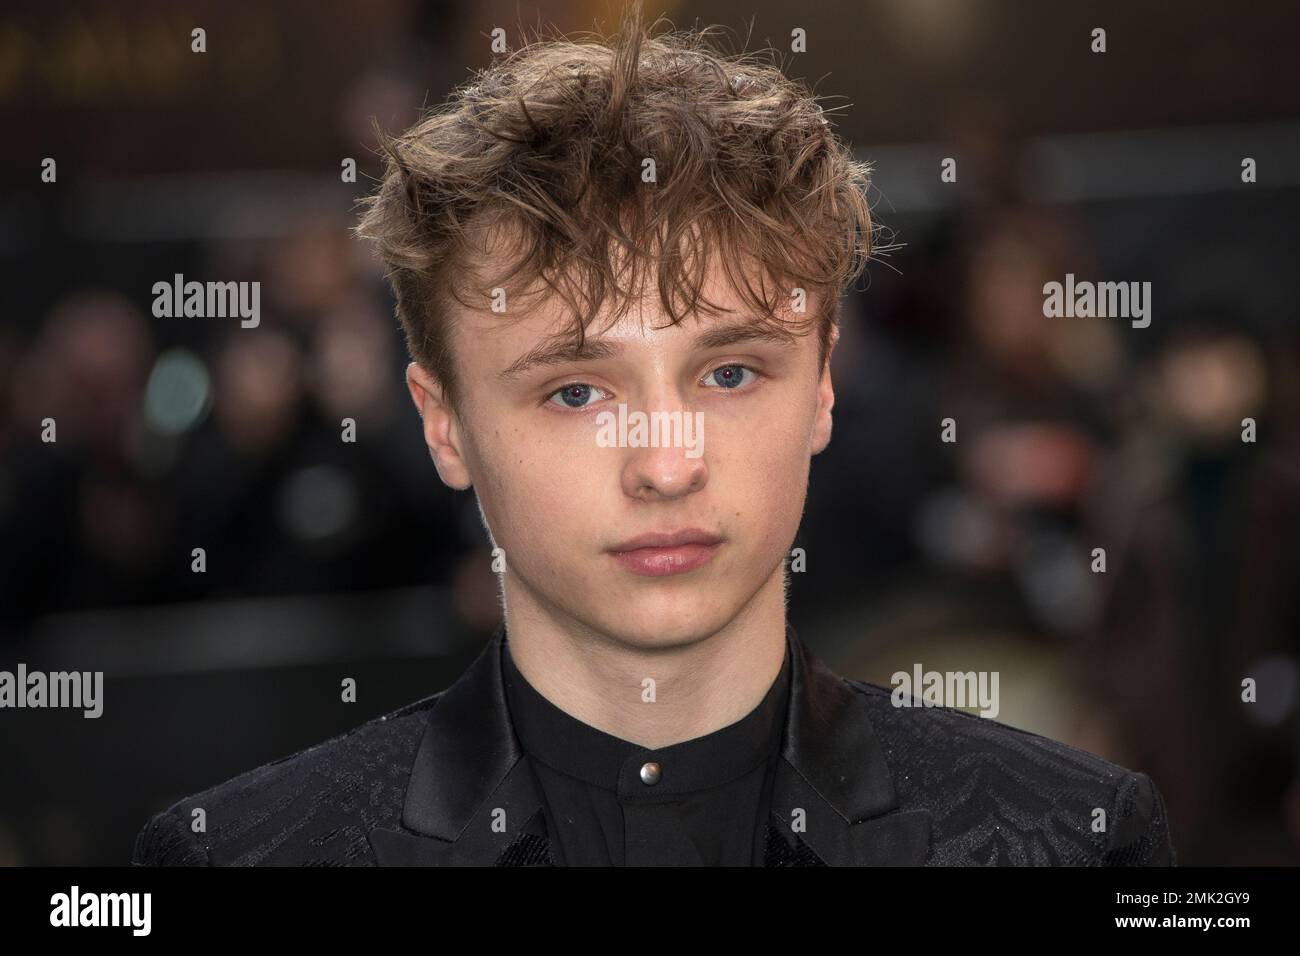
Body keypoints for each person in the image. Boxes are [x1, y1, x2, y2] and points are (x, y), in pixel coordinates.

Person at [132, 1, 1174, 867]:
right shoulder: (234, 857)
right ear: (443, 423)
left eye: (729, 372)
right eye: (576, 392)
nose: (667, 461)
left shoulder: (1076, 841)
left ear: (821, 387)